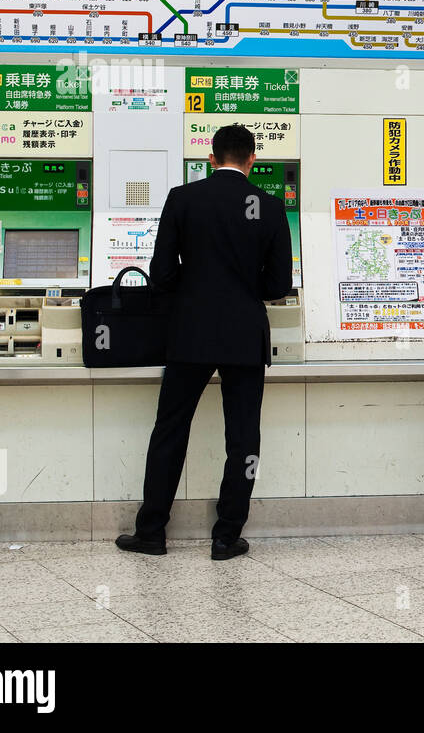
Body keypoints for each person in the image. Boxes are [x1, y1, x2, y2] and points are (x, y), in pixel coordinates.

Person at [116, 124, 293, 561]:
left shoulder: (182, 198)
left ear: (211, 160)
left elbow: (161, 274)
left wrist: (195, 289)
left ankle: (151, 532)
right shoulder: (271, 207)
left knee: (170, 430)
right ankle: (226, 537)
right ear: (252, 160)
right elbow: (278, 285)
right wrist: (242, 288)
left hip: (190, 331)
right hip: (245, 335)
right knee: (243, 438)